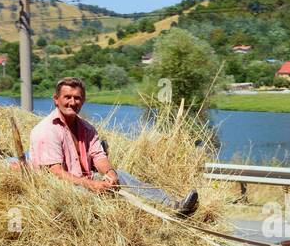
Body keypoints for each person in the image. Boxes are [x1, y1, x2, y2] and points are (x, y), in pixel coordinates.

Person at [29, 77, 197, 215]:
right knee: (85, 197)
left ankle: (173, 205)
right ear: (56, 99)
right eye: (67, 97)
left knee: (121, 175)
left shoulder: (87, 128)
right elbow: (55, 173)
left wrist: (110, 173)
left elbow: (99, 156)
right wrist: (91, 185)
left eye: (77, 98)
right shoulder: (47, 130)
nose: (72, 102)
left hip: (83, 179)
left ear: (83, 100)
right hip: (61, 187)